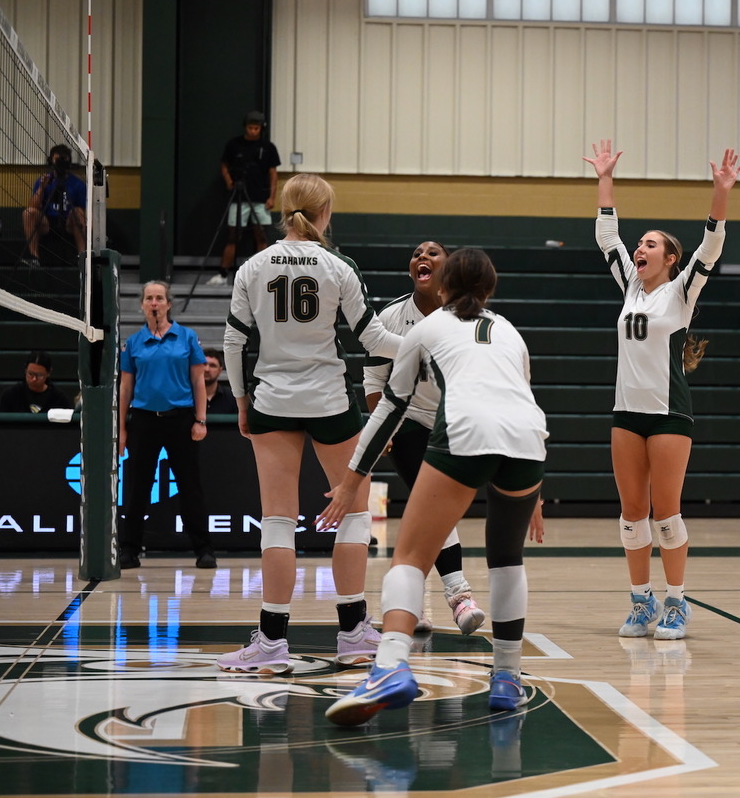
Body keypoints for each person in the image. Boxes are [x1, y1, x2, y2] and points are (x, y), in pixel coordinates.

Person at [323, 247, 548, 725]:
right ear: (489, 289)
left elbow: (388, 410)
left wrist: (349, 481)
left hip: (465, 431)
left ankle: (389, 666)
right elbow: (523, 400)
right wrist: (536, 494)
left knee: (409, 557)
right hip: (528, 442)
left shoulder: (423, 330)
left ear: (442, 286)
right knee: (508, 560)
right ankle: (507, 677)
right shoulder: (509, 330)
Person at [219, 172, 401, 673]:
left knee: (278, 520)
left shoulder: (253, 265)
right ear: (325, 213)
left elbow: (233, 343)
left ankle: (272, 642)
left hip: (272, 399)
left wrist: (241, 401)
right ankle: (353, 635)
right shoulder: (338, 266)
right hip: (328, 400)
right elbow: (374, 339)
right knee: (356, 514)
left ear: (283, 211)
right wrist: (428, 344)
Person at [585, 138, 739, 642]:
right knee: (632, 517)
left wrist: (721, 193)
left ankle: (676, 602)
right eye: (640, 244)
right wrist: (605, 179)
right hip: (626, 413)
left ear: (671, 258)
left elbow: (711, 247)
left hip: (670, 414)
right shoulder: (629, 286)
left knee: (666, 515)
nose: (640, 249)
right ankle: (640, 602)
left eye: (651, 245)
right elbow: (607, 236)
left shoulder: (681, 291)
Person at [362, 240, 486, 636]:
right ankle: (459, 595)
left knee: (428, 512)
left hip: (454, 422)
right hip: (409, 421)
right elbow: (373, 379)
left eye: (433, 253)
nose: (422, 257)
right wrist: (382, 426)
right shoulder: (392, 316)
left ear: (448, 267)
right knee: (432, 505)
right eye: (417, 253)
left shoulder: (469, 319)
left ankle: (410, 602)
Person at [117, 281, 216, 570]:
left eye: (159, 298)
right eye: (149, 298)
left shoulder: (186, 337)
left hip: (180, 419)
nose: (154, 303)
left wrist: (200, 420)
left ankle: (204, 549)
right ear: (142, 305)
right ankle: (129, 550)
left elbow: (198, 381)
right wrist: (121, 428)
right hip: (144, 420)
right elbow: (125, 388)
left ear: (168, 304)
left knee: (190, 486)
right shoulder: (134, 342)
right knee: (137, 487)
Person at [209, 111, 281, 285]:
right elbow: (224, 164)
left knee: (261, 236)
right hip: (238, 197)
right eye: (250, 128)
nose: (253, 131)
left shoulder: (268, 147)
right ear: (245, 127)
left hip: (261, 198)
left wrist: (272, 197)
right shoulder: (234, 144)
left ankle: (263, 274)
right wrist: (229, 181)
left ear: (261, 128)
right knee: (233, 236)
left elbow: (273, 174)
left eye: (256, 128)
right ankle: (223, 274)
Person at [21, 144, 86, 267]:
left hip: (69, 222)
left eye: (63, 160)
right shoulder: (44, 180)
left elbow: (83, 211)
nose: (60, 163)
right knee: (28, 213)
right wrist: (42, 187)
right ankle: (34, 257)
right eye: (57, 160)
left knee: (78, 212)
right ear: (51, 160)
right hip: (47, 221)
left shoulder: (78, 184)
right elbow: (33, 206)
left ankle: (83, 258)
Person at [0, 350, 72, 414]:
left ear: (48, 373)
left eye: (39, 375)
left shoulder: (59, 399)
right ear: (25, 370)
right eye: (30, 374)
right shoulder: (10, 395)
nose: (34, 379)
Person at [202, 348, 238, 414]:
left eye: (212, 366)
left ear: (220, 370)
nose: (207, 369)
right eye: (204, 364)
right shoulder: (187, 397)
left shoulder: (232, 397)